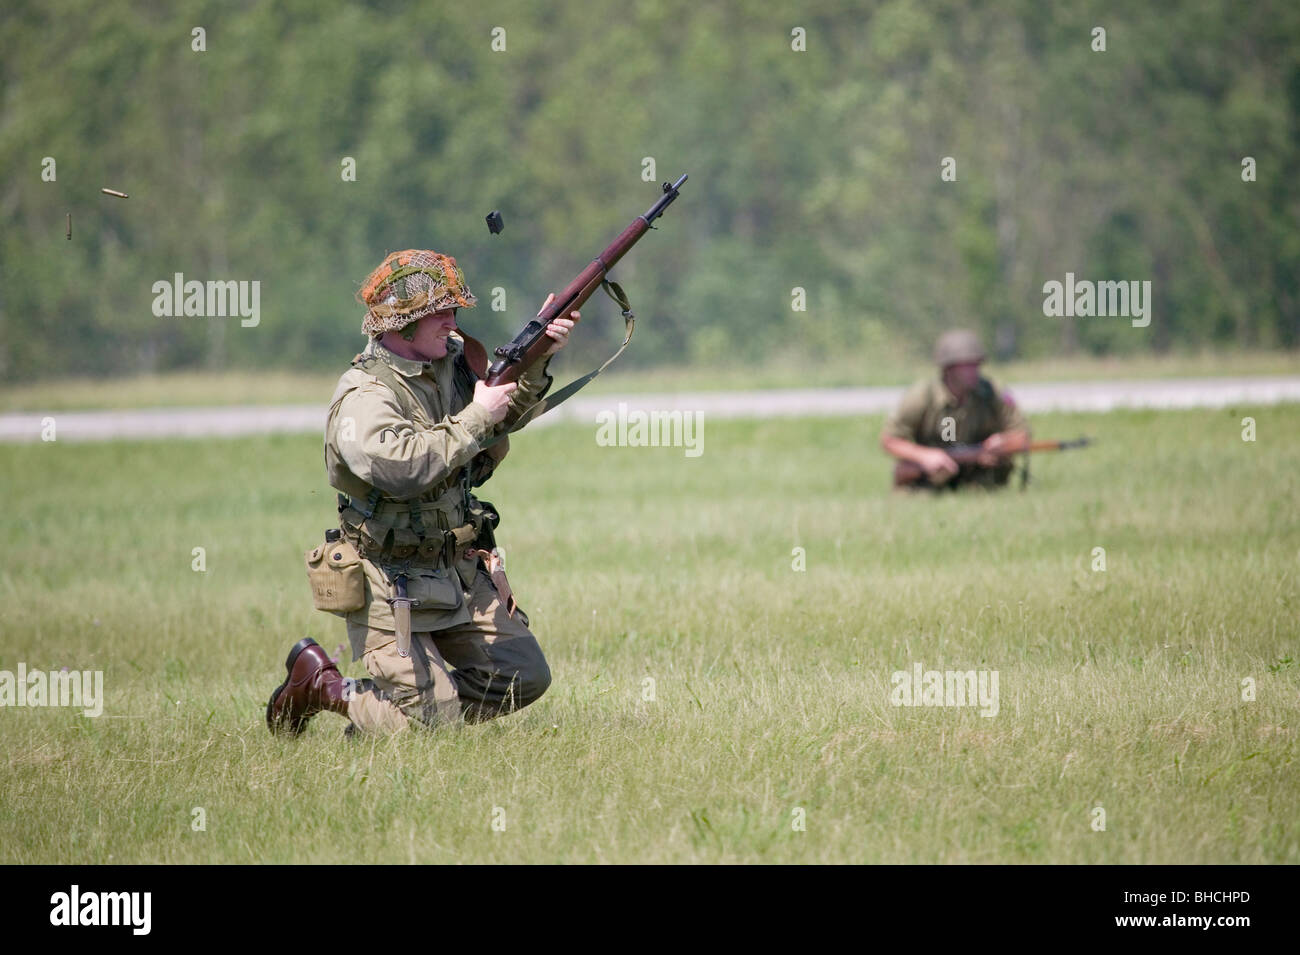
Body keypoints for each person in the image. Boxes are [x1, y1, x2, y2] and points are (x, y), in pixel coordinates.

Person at [267, 248, 577, 736]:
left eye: (454, 311)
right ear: (401, 324)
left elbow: (495, 423)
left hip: (455, 568)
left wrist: (538, 362)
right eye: (440, 313)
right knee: (436, 721)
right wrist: (477, 415)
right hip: (390, 582)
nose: (452, 322)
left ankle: (394, 719)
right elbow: (404, 467)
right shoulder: (365, 394)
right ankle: (324, 687)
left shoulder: (451, 365)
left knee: (524, 675)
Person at [880, 329, 1029, 489]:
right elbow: (890, 440)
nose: (974, 370)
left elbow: (1022, 435)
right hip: (935, 470)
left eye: (976, 364)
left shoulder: (993, 392)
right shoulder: (922, 395)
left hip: (980, 471)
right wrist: (925, 456)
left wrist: (1003, 443)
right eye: (966, 365)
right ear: (948, 368)